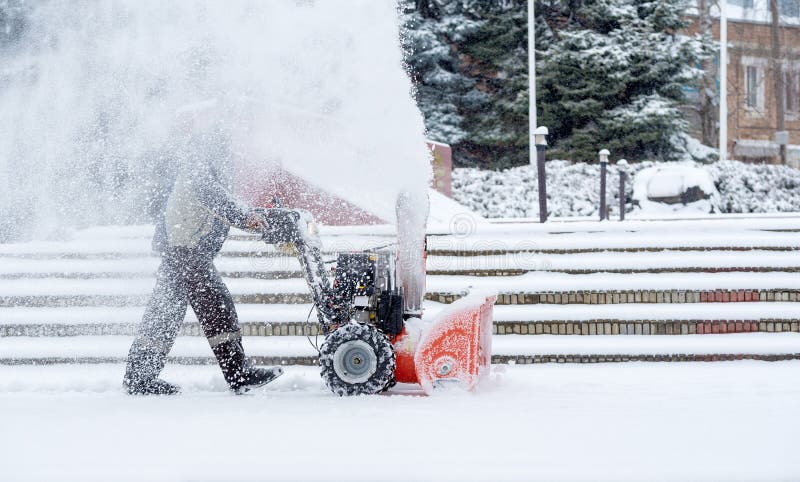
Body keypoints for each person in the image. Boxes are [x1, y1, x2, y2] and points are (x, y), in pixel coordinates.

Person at [124, 128, 282, 395]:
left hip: (180, 253)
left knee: (165, 315)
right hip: (187, 254)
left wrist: (253, 214)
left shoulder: (196, 171)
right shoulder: (198, 174)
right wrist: (248, 219)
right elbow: (218, 201)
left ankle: (139, 376)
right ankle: (238, 374)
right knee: (218, 308)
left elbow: (219, 200)